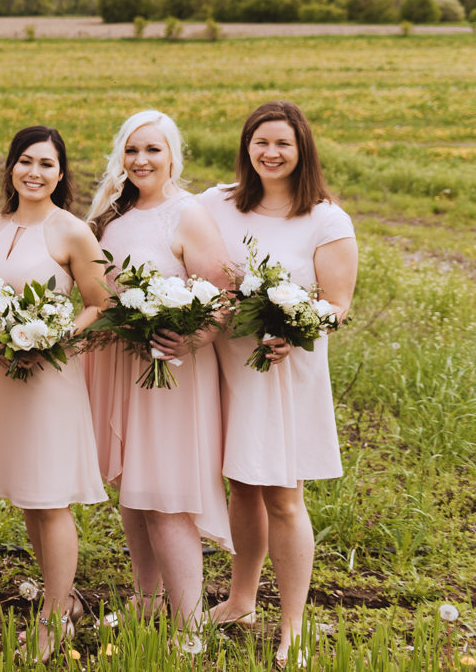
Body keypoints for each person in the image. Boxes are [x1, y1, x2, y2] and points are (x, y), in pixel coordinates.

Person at [200, 101, 357, 668]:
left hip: (283, 368)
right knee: (242, 484)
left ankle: (295, 624)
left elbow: (338, 305)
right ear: (246, 146)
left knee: (284, 497)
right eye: (260, 142)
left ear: (301, 150)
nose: (270, 153)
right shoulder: (216, 203)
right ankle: (242, 599)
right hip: (226, 362)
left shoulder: (325, 218)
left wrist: (300, 327)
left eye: (282, 144)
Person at [83, 111, 233, 647]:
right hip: (124, 366)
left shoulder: (186, 214)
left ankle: (191, 626)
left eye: (152, 149)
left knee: (167, 496)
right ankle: (147, 600)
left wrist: (193, 338)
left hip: (171, 373)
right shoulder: (112, 216)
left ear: (173, 155)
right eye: (131, 150)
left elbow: (222, 293)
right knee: (134, 491)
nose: (141, 160)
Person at [0, 125, 108, 661]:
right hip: (6, 373)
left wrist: (53, 339)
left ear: (60, 173)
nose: (34, 172)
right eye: (25, 161)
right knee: (27, 493)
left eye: (46, 164)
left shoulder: (71, 231)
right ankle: (64, 598)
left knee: (50, 497)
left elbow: (100, 302)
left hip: (51, 376)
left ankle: (56, 617)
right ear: (11, 166)